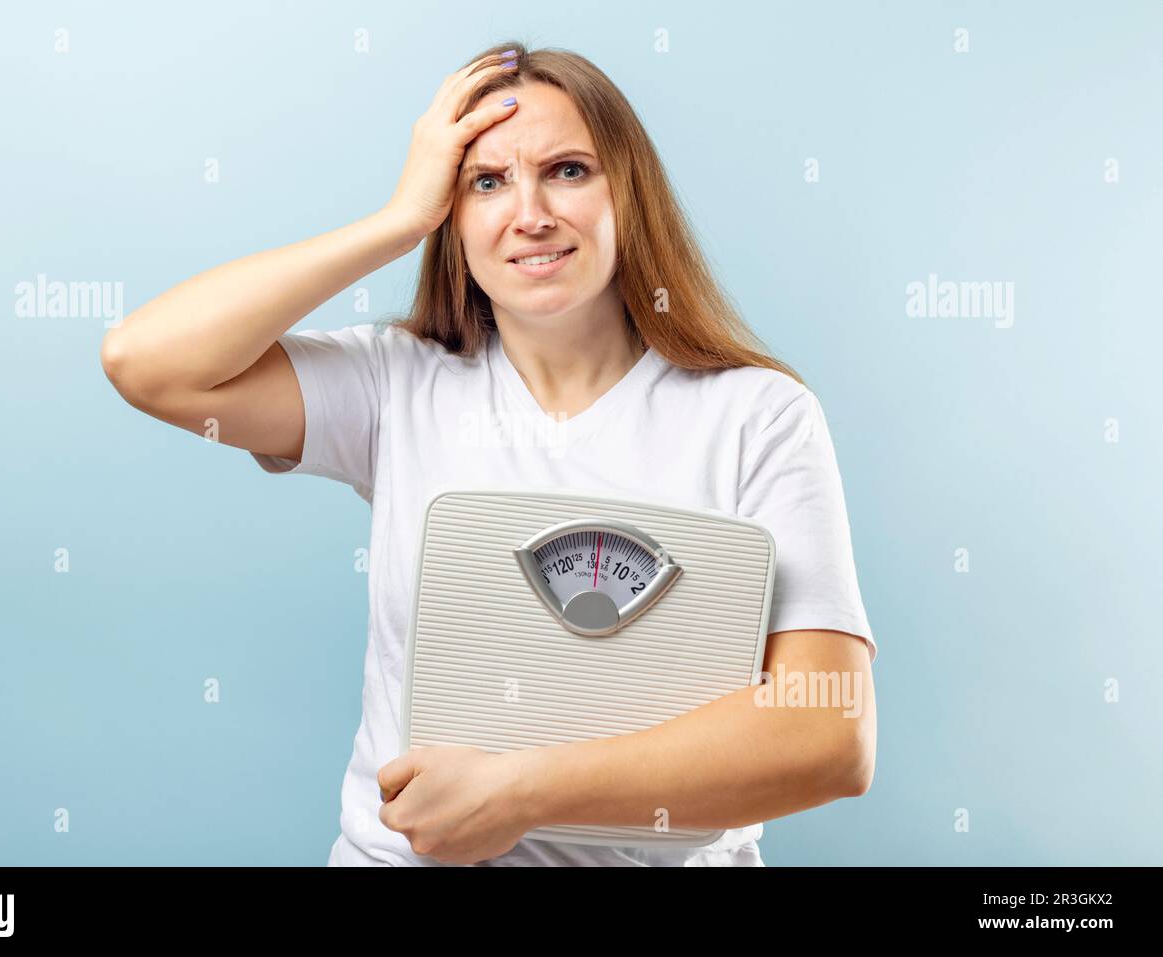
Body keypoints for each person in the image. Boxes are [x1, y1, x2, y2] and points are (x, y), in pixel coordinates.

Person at [100, 41, 878, 867]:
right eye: (487, 182)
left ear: (631, 192)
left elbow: (827, 734)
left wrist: (522, 792)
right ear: (452, 216)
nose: (531, 213)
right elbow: (146, 361)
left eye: (569, 171)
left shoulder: (757, 416)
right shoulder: (394, 386)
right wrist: (397, 221)